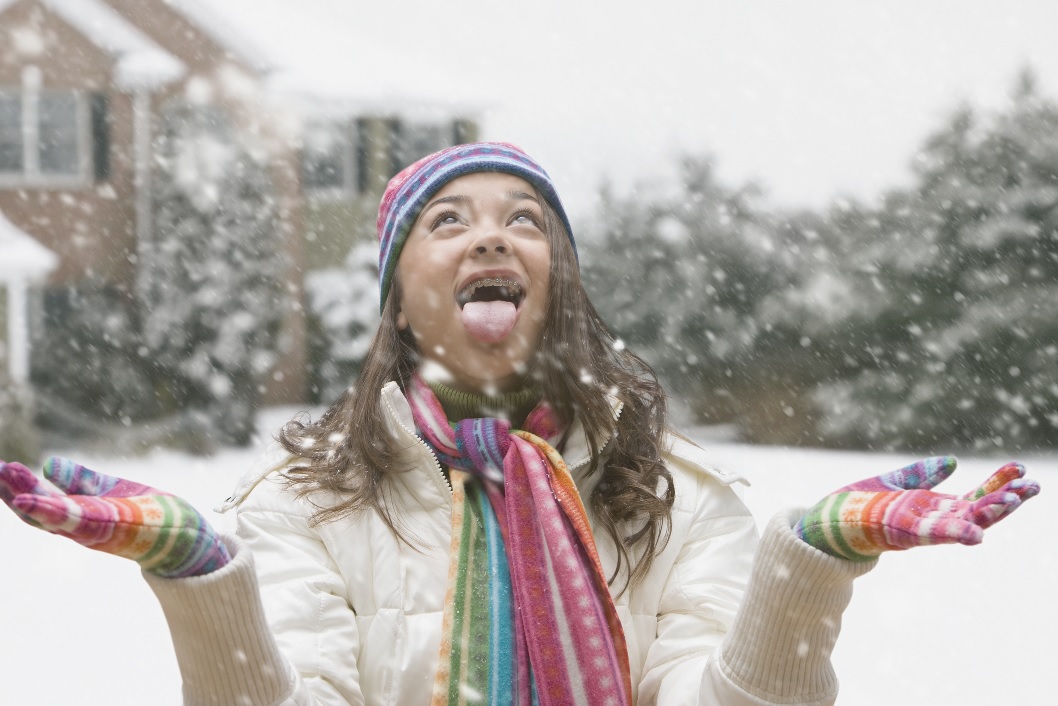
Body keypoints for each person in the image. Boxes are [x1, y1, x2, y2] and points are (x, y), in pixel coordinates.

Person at [0, 142, 1040, 706]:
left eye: (524, 221)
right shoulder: (305, 504)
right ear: (397, 300)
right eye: (446, 221)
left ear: (559, 288)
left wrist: (807, 561)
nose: (491, 235)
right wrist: (199, 580)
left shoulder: (671, 497)